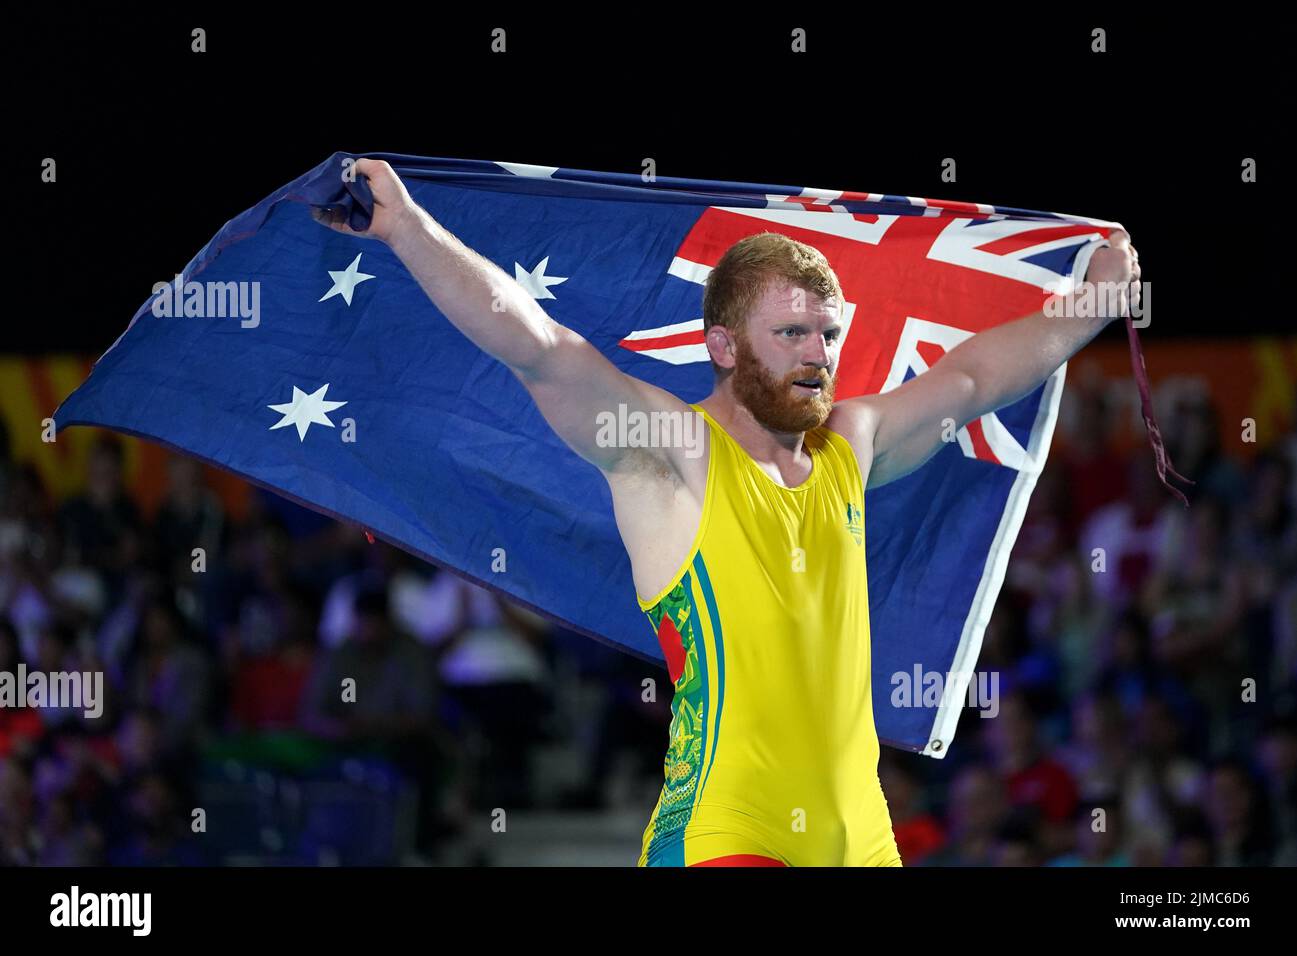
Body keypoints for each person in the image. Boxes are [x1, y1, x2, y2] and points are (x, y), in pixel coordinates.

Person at [312, 158, 1143, 867]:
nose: (820, 357)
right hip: (723, 836)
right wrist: (406, 230)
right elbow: (539, 347)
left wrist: (1091, 306)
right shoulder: (671, 455)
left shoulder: (851, 445)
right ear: (723, 347)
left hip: (862, 844)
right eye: (792, 334)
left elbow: (971, 381)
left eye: (827, 335)